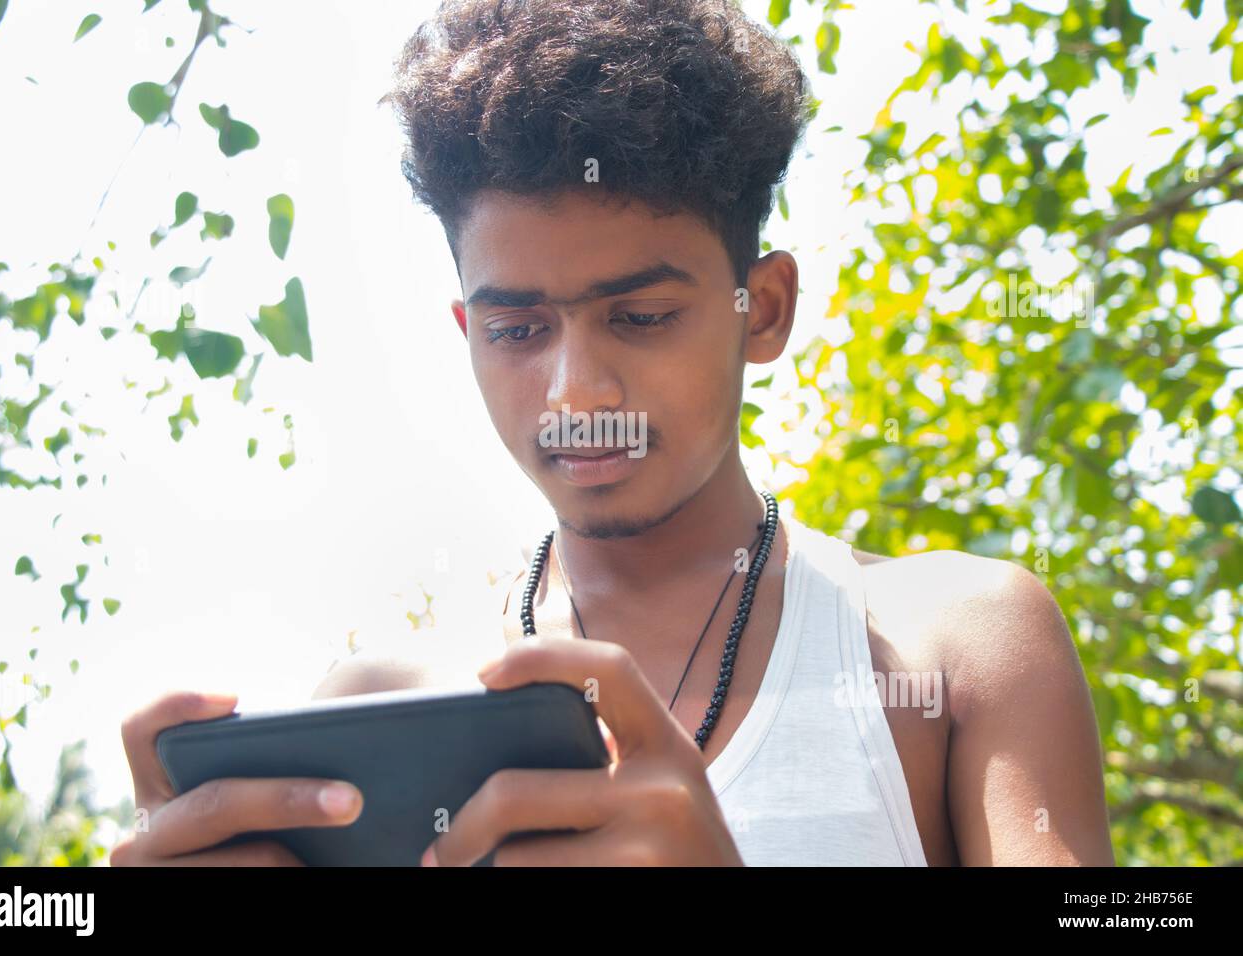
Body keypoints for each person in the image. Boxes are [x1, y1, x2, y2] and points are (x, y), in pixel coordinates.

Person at [111, 0, 1115, 867]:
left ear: (760, 309)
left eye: (638, 316)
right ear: (466, 330)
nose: (574, 387)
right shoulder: (377, 711)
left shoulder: (961, 644)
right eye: (516, 328)